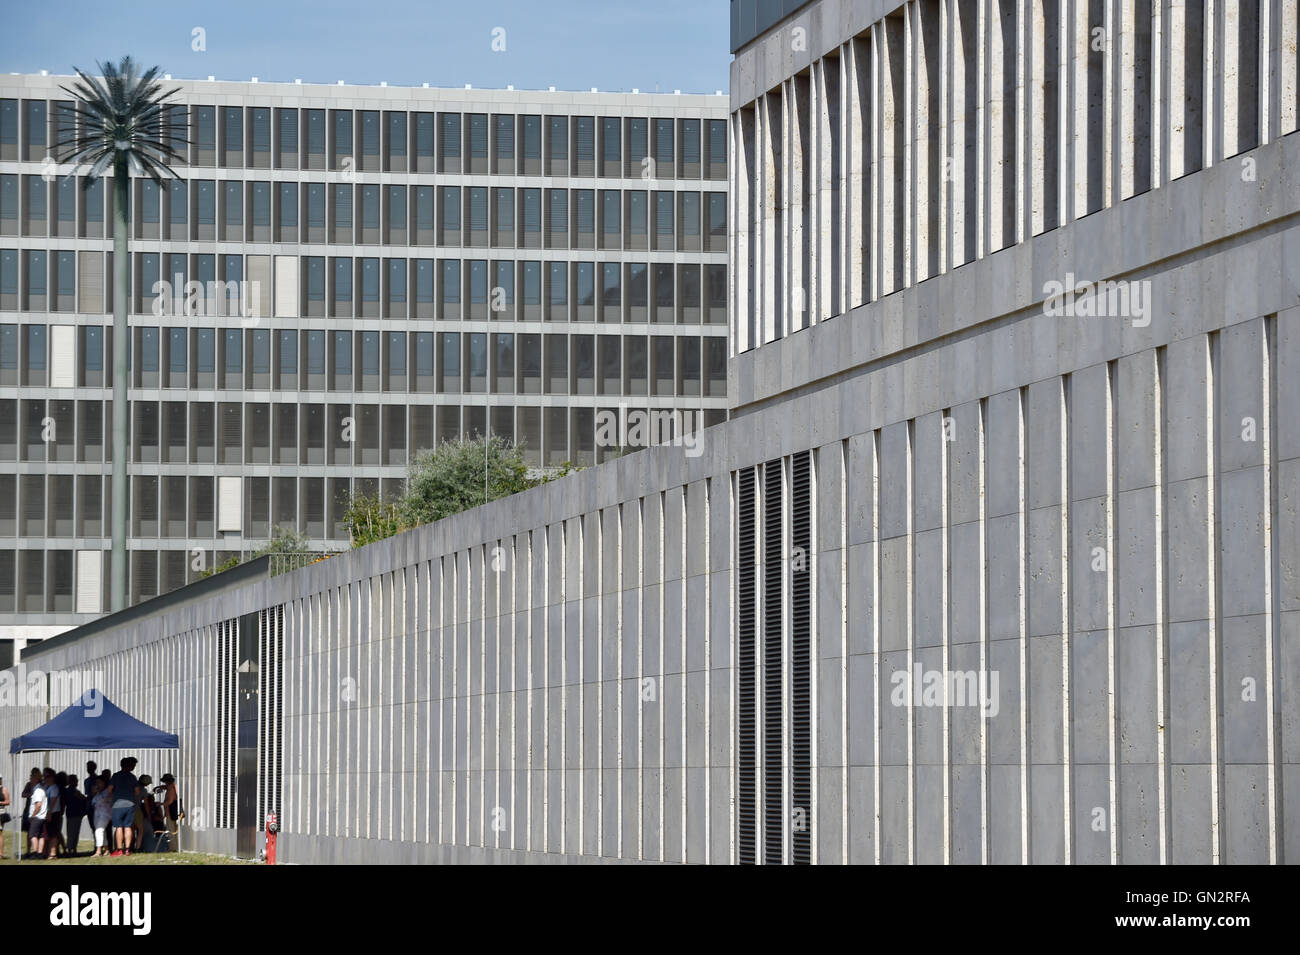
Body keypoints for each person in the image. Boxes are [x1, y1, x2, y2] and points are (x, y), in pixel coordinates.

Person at [107, 757, 139, 857]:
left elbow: (109, 789)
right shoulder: (132, 777)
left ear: (121, 765)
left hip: (117, 804)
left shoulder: (116, 776)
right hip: (130, 804)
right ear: (129, 765)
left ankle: (119, 850)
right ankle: (127, 850)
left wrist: (114, 796)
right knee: (128, 827)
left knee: (119, 827)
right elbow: (137, 792)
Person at [63, 775, 87, 856]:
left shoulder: (68, 791)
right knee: (74, 833)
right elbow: (83, 798)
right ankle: (71, 848)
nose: (77, 782)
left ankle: (71, 848)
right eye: (76, 780)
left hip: (71, 814)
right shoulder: (72, 791)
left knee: (71, 832)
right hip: (75, 814)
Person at [25, 771, 47, 859]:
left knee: (32, 835)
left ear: (36, 779)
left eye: (32, 778)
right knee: (41, 835)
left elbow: (38, 805)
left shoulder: (37, 791)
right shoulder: (40, 789)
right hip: (42, 817)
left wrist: (32, 815)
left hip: (37, 817)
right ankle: (40, 853)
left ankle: (35, 852)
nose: (30, 779)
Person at [42, 769, 63, 859]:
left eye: (47, 777)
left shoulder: (54, 788)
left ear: (52, 778)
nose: (45, 779)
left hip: (53, 813)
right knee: (49, 834)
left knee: (53, 834)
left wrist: (49, 813)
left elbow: (53, 801)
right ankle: (48, 852)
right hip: (50, 812)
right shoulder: (48, 788)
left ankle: (53, 853)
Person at [90, 778, 112, 857]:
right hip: (97, 814)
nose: (98, 784)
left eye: (99, 782)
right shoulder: (97, 793)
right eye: (97, 783)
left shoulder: (107, 791)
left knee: (99, 830)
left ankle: (98, 851)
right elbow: (93, 802)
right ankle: (107, 850)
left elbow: (105, 799)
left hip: (105, 814)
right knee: (102, 832)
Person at [161, 773, 179, 849]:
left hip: (170, 813)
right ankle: (174, 847)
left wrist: (161, 804)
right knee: (172, 829)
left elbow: (170, 801)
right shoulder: (171, 787)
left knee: (171, 830)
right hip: (170, 812)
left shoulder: (171, 789)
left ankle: (173, 847)